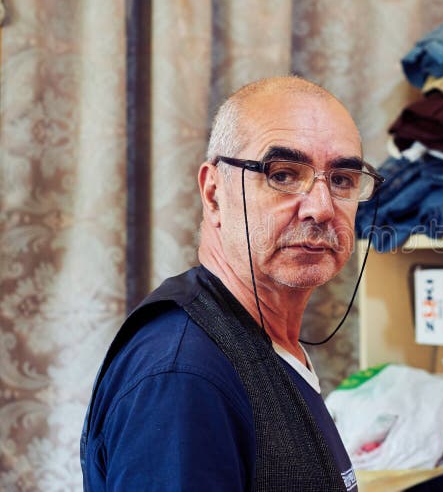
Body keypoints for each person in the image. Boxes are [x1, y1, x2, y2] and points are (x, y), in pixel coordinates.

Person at [80, 76, 383, 490]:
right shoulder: (183, 376)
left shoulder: (264, 342)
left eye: (343, 179)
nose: (321, 208)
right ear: (213, 193)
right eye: (282, 175)